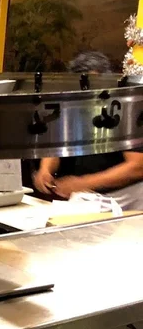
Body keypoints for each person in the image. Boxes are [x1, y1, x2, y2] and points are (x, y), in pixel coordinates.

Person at [33, 51, 143, 210]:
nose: (86, 90)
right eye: (80, 86)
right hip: (81, 200)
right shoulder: (73, 108)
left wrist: (82, 183)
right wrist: (45, 169)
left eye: (91, 84)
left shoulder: (124, 110)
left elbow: (137, 167)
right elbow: (57, 145)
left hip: (123, 201)